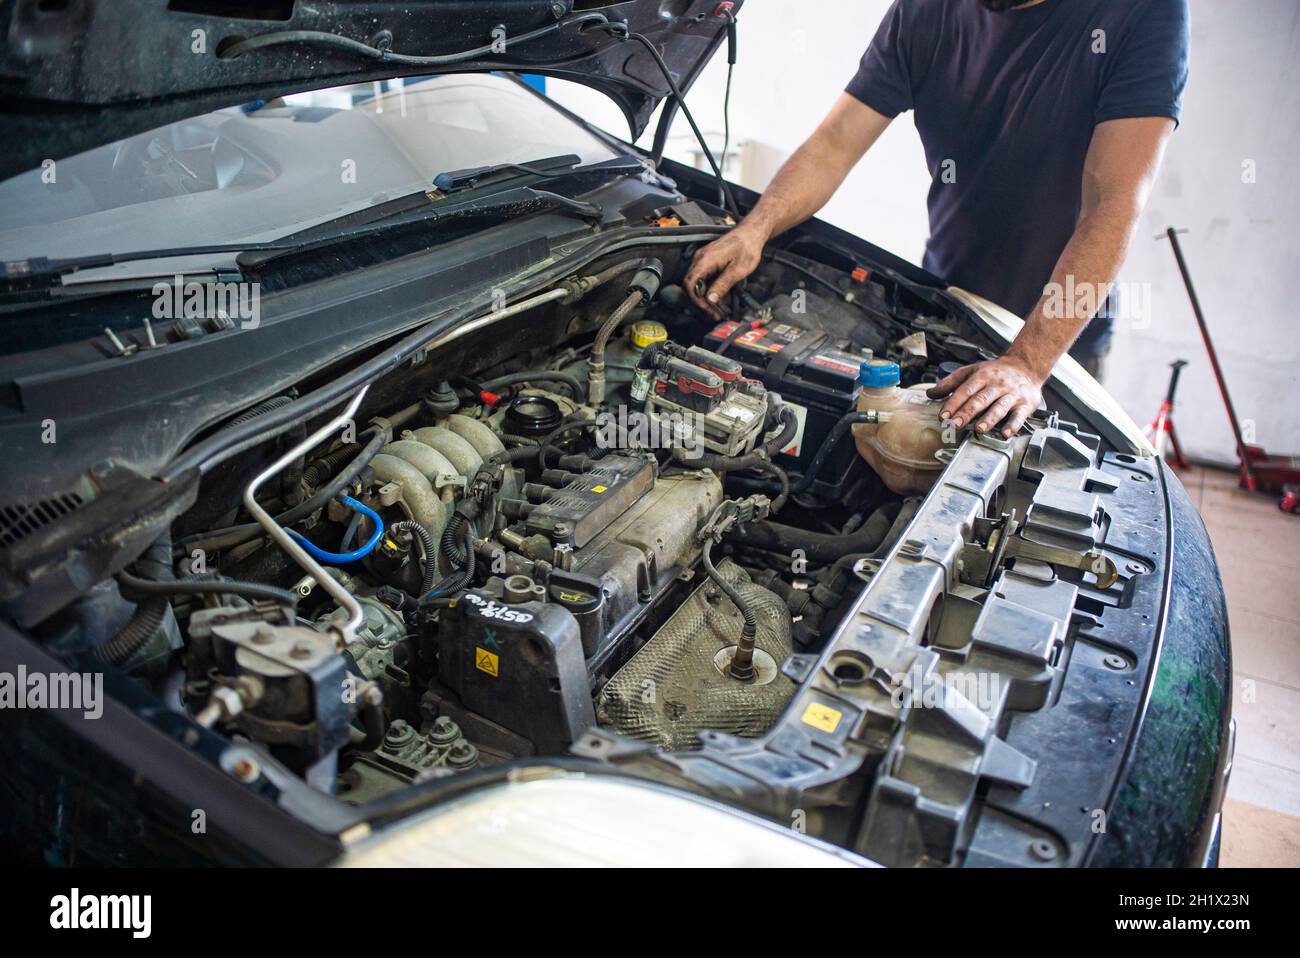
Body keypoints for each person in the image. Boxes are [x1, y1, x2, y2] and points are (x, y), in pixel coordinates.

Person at [684, 0, 1189, 437]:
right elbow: (835, 143)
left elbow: (1113, 202)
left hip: (1057, 339)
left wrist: (1029, 363)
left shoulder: (1141, 12)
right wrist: (756, 227)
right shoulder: (926, 10)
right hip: (953, 305)